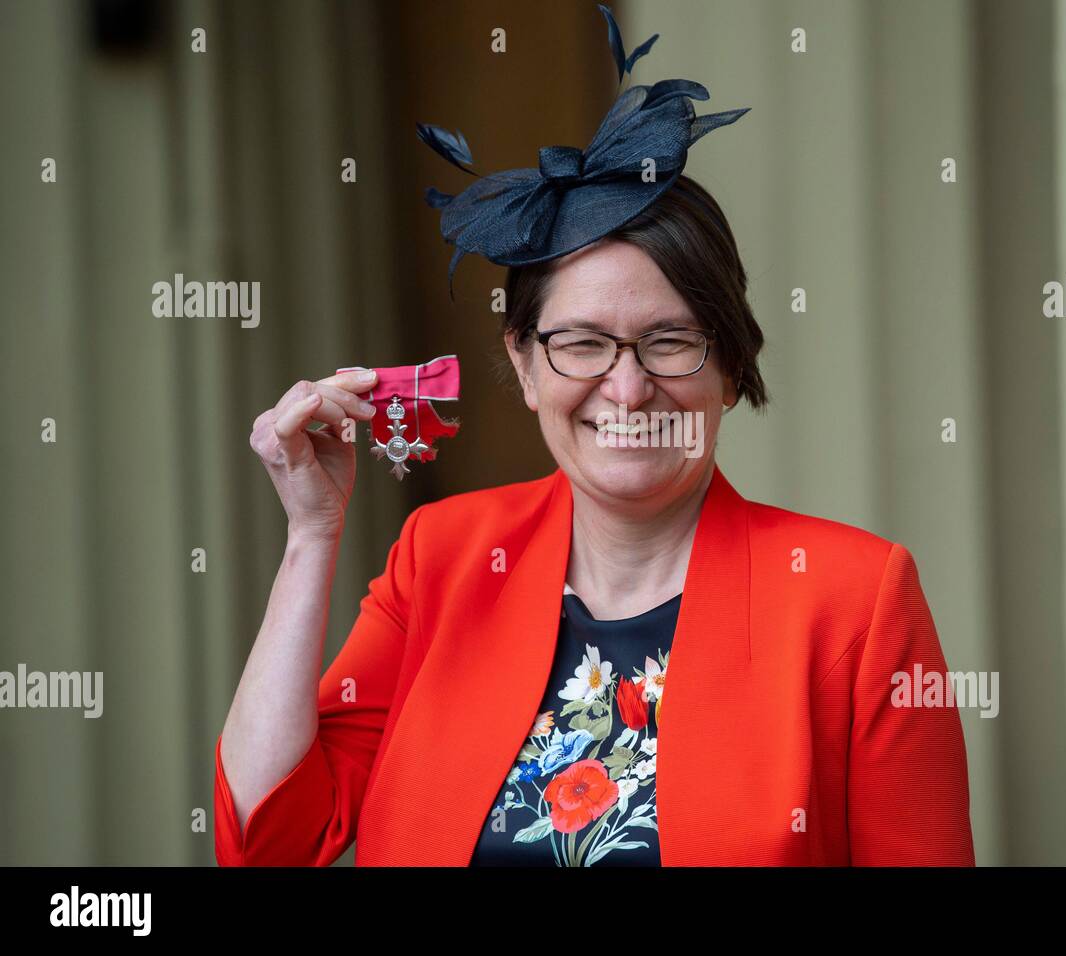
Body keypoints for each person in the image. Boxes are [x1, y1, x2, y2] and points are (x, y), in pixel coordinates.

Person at [214, 4, 974, 866]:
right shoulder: (443, 560)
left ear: (729, 364)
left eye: (670, 339)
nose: (627, 384)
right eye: (581, 343)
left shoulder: (853, 600)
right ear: (527, 366)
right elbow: (269, 837)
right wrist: (312, 534)